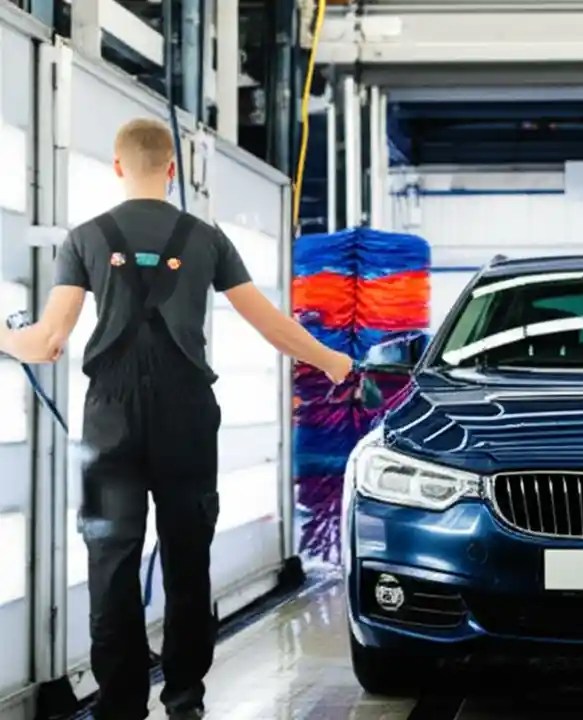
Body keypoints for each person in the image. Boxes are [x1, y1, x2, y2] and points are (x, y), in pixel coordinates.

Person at [0, 118, 355, 720]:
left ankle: (120, 706)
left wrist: (7, 335)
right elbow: (270, 324)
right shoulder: (207, 238)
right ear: (172, 169)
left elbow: (48, 343)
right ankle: (185, 700)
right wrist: (333, 361)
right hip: (188, 417)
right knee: (188, 559)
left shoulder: (85, 238)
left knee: (111, 562)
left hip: (110, 419)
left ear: (118, 167)